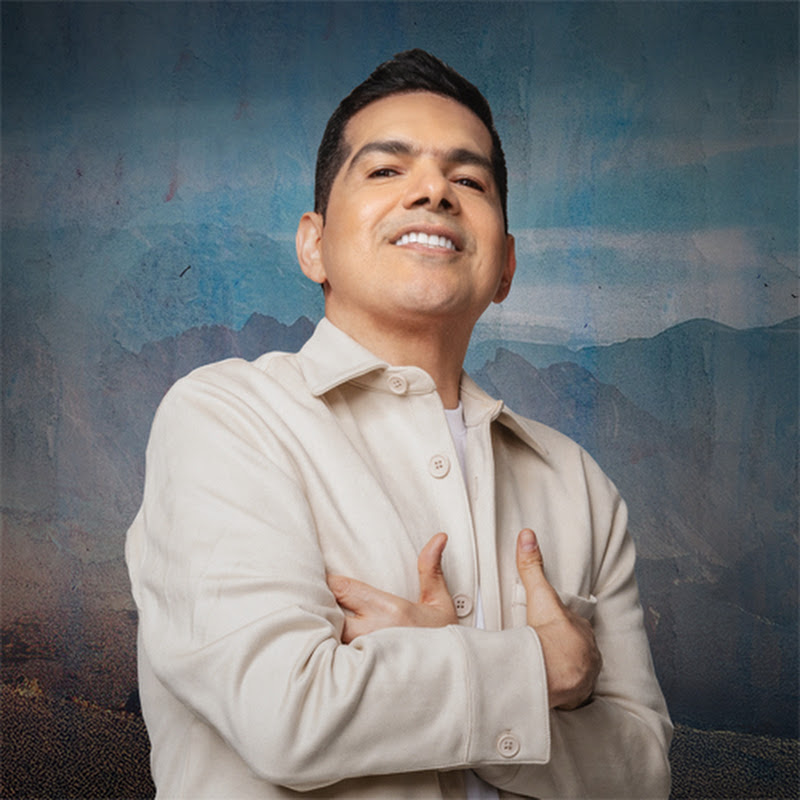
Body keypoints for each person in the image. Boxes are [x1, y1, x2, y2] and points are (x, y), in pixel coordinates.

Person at [126, 49, 672, 798]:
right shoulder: (226, 419)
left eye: (469, 181)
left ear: (506, 267)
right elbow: (288, 713)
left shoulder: (578, 484)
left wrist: (443, 669)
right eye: (386, 169)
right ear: (313, 244)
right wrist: (550, 670)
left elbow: (643, 772)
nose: (433, 191)